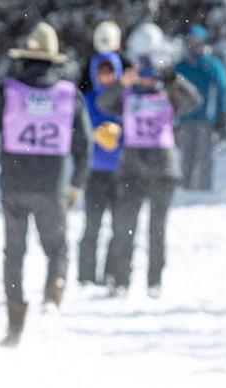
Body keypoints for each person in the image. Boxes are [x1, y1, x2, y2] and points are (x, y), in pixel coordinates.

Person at [0, 22, 92, 347]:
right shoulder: (68, 94)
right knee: (57, 248)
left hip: (14, 185)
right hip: (52, 186)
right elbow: (85, 145)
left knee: (14, 253)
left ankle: (14, 328)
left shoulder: (7, 91)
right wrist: (76, 184)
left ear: (24, 58)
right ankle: (52, 296)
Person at [97, 36, 202, 297]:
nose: (145, 81)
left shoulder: (168, 95)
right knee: (124, 228)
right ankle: (121, 280)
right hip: (132, 170)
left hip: (162, 170)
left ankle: (154, 281)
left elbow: (194, 101)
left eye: (149, 75)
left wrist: (174, 78)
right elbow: (103, 103)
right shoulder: (127, 96)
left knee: (157, 229)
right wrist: (123, 82)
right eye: (141, 76)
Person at [79, 51, 124, 287]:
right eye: (101, 72)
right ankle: (86, 275)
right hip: (95, 171)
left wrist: (120, 134)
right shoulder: (86, 99)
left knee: (119, 227)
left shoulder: (125, 99)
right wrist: (95, 135)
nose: (106, 77)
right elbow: (78, 131)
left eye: (110, 72)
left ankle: (111, 274)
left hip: (121, 172)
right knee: (92, 225)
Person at [174, 25, 226, 192]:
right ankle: (186, 187)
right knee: (187, 155)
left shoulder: (212, 65)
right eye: (191, 43)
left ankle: (204, 189)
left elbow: (222, 89)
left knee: (205, 155)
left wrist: (223, 113)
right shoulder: (180, 67)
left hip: (206, 118)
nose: (194, 46)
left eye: (198, 43)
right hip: (185, 119)